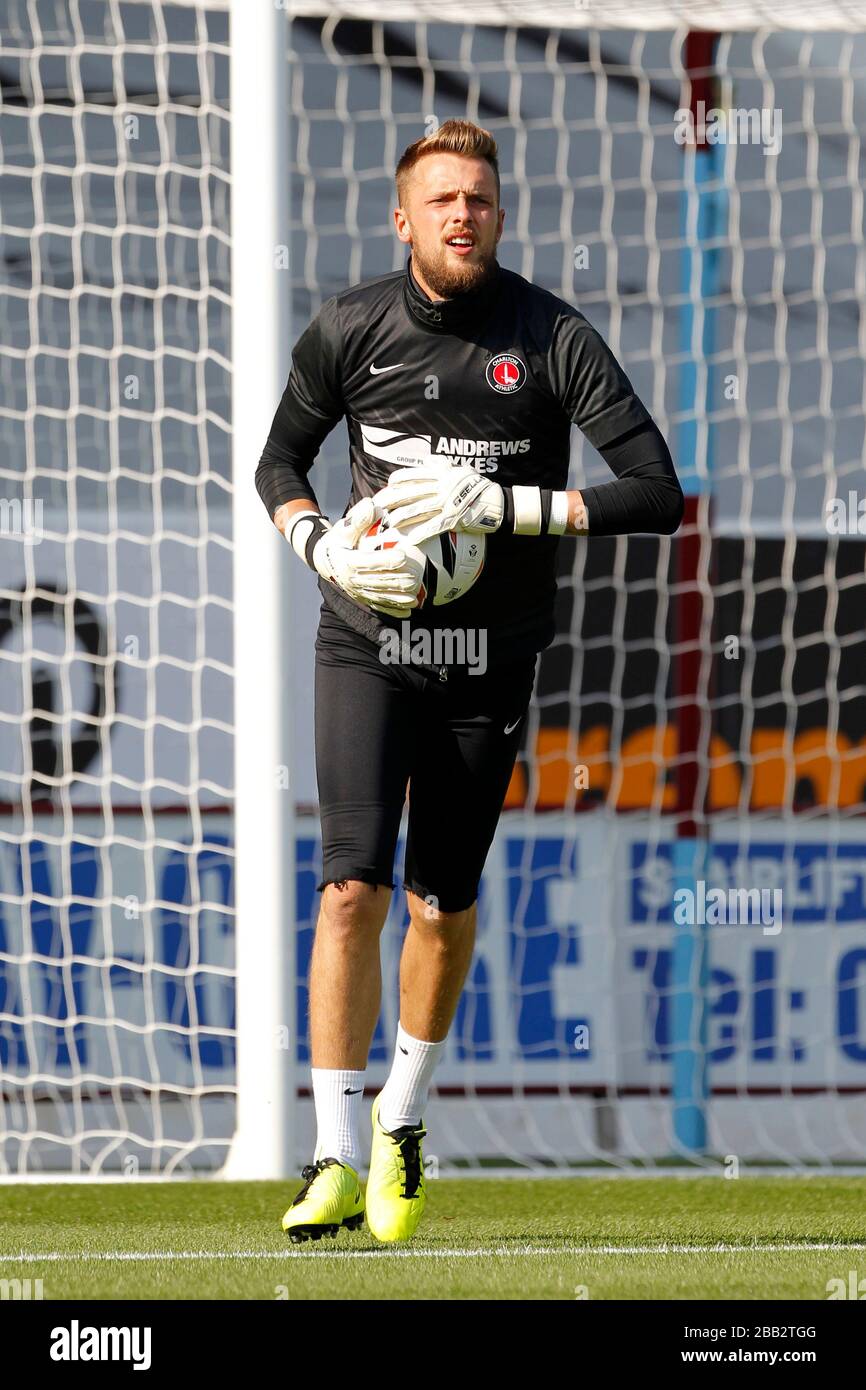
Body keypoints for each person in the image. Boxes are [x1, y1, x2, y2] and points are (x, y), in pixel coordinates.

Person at [255, 118, 683, 1243]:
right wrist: (321, 547)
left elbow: (655, 490)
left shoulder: (551, 336)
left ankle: (401, 1113)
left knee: (441, 900)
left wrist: (506, 507)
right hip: (366, 636)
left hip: (489, 651)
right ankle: (335, 1153)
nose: (462, 214)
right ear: (402, 219)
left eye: (479, 199)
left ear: (498, 214)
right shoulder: (348, 328)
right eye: (441, 199)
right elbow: (276, 462)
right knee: (350, 883)